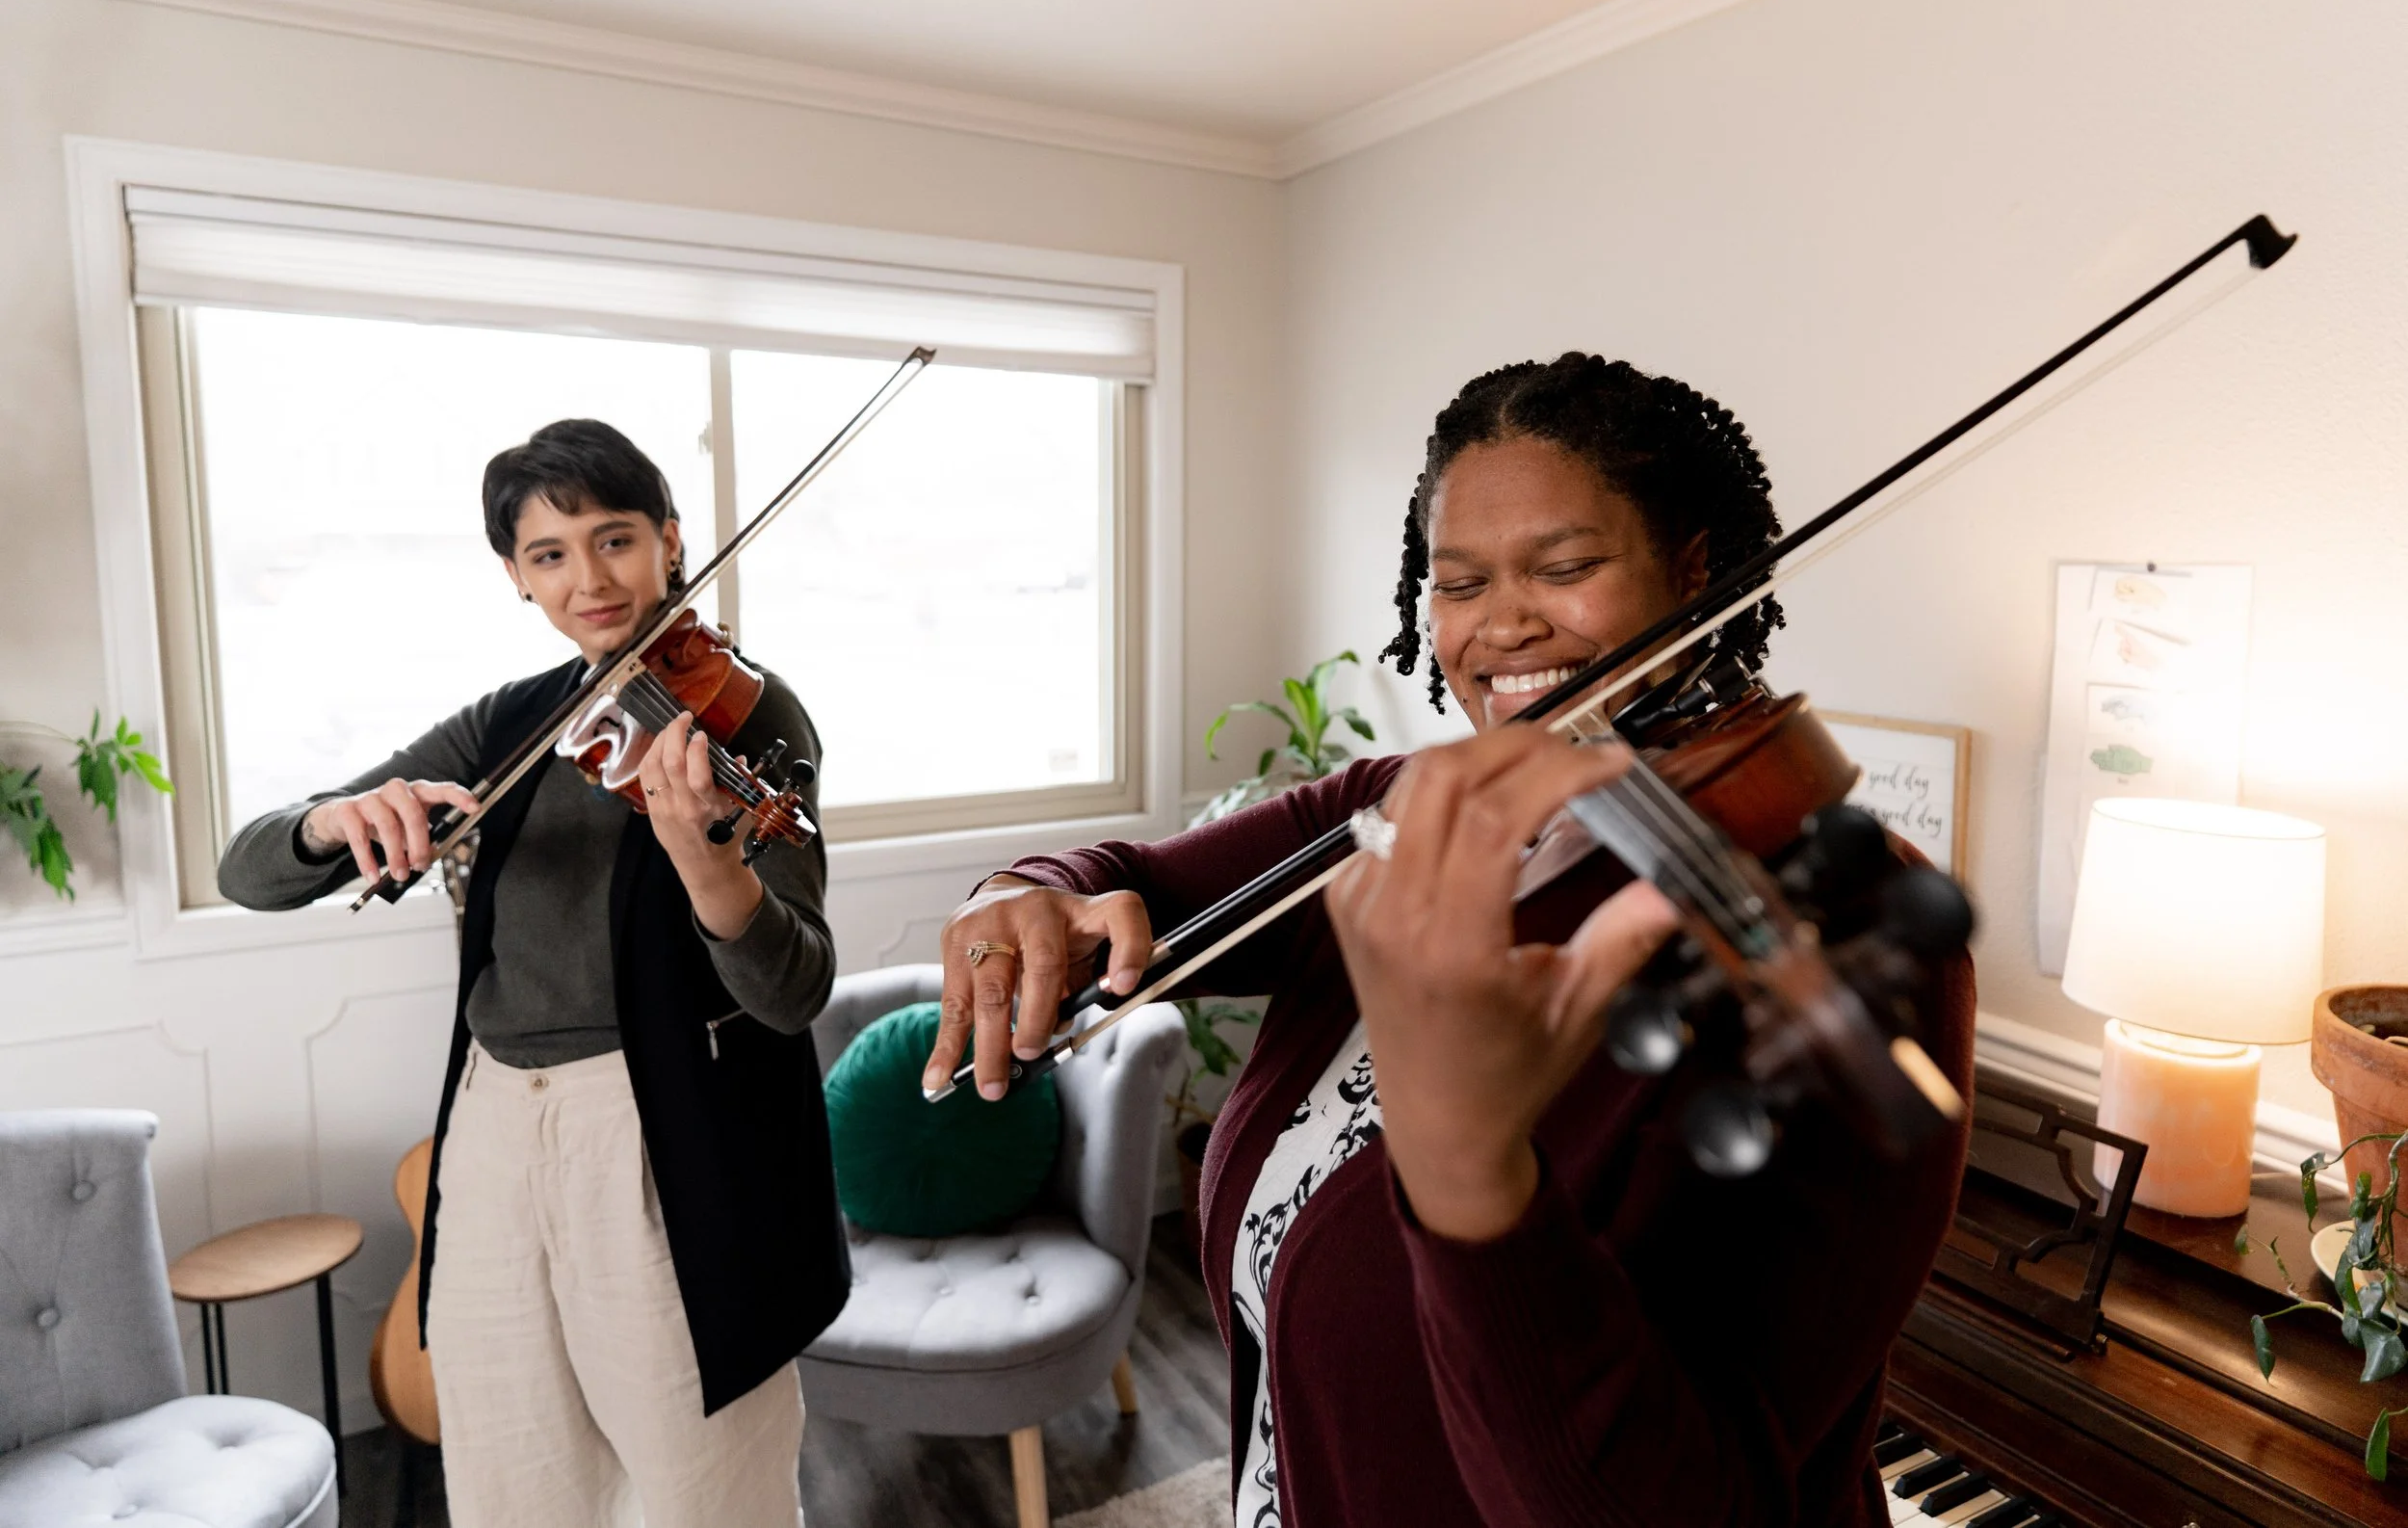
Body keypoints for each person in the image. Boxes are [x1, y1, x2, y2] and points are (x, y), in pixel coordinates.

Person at [923, 354, 1976, 1527]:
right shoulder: (1402, 810)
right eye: (1459, 581)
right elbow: (1124, 880)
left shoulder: (1838, 927)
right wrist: (1024, 887)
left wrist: (1471, 1166)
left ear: (1693, 571)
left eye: (1567, 567)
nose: (1504, 623)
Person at [219, 420, 846, 1528]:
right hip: (495, 1124)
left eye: (614, 539)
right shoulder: (505, 722)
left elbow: (791, 991)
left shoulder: (746, 713)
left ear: (670, 541)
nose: (589, 578)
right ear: (514, 575)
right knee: (518, 1472)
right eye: (549, 552)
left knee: (708, 1483)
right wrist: (332, 820)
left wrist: (710, 870)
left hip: (660, 1126)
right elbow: (249, 871)